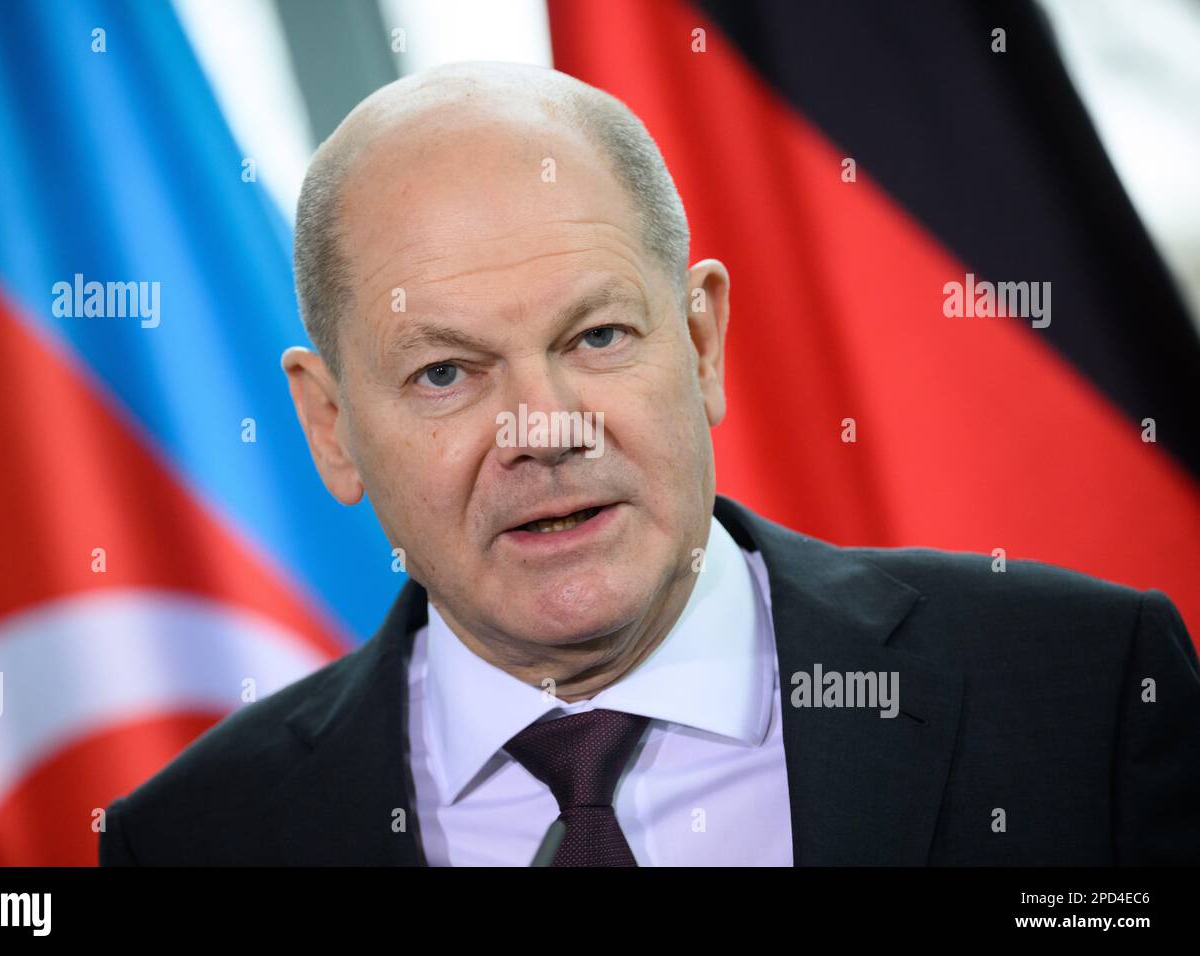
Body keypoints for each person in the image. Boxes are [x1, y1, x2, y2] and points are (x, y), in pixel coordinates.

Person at [99, 61, 1200, 866]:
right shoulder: (200, 838)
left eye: (595, 338)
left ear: (703, 340)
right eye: (445, 373)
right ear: (331, 424)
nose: (545, 427)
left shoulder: (1081, 690)